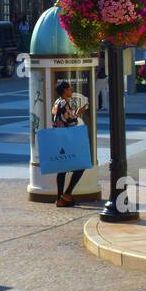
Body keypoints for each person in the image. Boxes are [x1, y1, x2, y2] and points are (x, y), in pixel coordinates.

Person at [51, 80, 88, 208]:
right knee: (81, 165)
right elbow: (72, 122)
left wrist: (75, 113)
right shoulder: (63, 103)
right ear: (64, 91)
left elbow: (65, 119)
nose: (71, 90)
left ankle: (60, 198)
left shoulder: (57, 103)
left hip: (59, 140)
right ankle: (66, 194)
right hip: (66, 141)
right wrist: (78, 113)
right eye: (69, 88)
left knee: (62, 170)